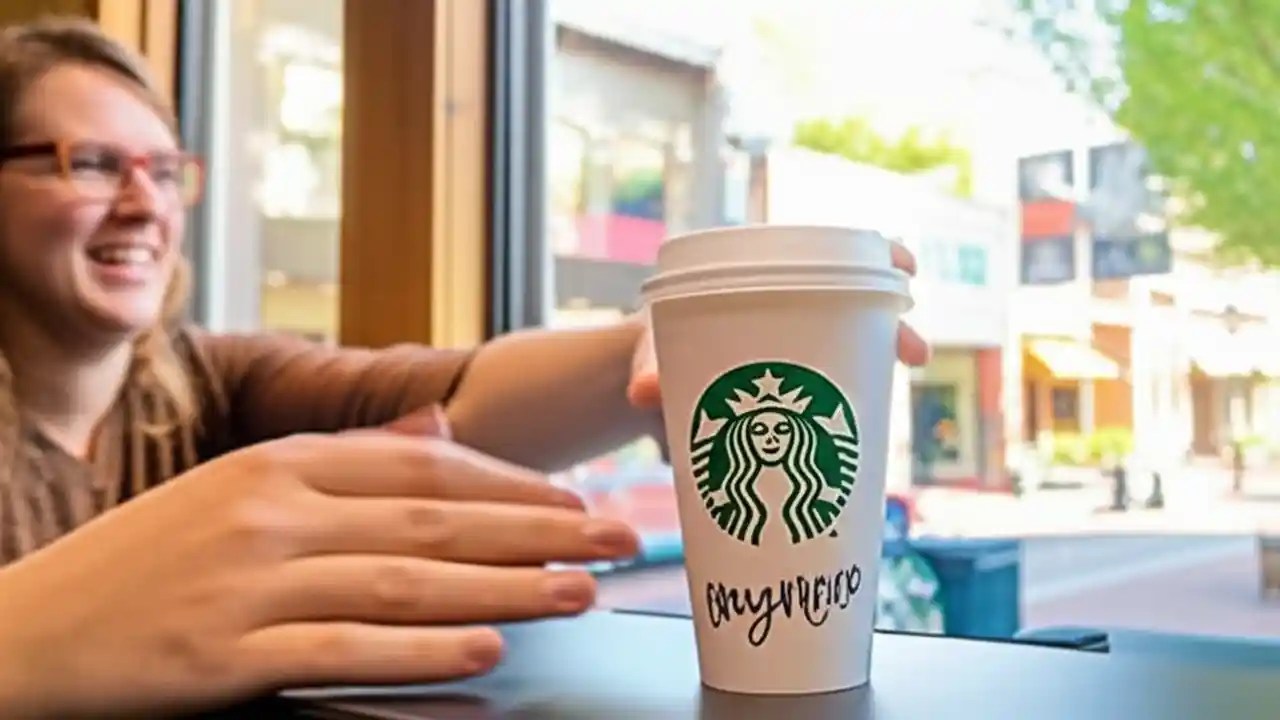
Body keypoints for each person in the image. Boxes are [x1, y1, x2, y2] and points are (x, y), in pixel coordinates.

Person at [0, 16, 930, 719]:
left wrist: (670, 343)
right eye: (89, 163)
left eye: (164, 170)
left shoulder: (209, 383)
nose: (142, 202)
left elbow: (459, 396)